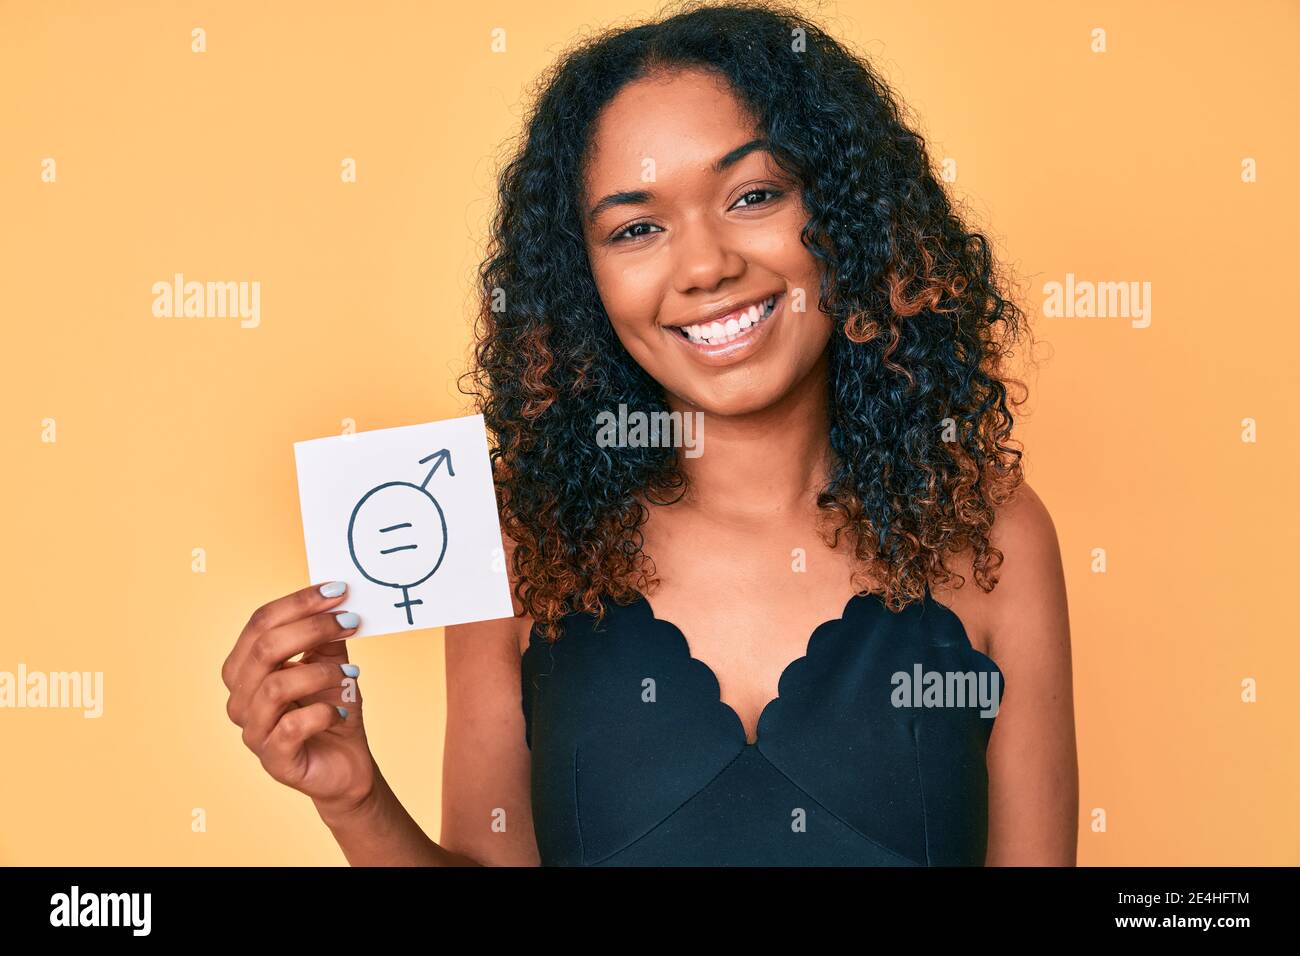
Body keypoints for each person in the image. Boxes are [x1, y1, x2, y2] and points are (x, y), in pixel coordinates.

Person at [223, 1, 1077, 866]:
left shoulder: (989, 535)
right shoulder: (526, 552)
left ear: (848, 217)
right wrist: (356, 802)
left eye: (754, 195)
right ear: (582, 279)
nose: (706, 265)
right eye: (637, 228)